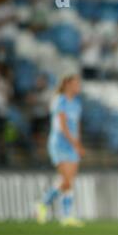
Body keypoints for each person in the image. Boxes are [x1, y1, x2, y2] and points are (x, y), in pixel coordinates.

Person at [36, 75, 85, 227]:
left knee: (68, 181)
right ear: (67, 84)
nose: (79, 86)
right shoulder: (60, 100)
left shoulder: (77, 104)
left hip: (72, 144)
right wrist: (75, 144)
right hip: (59, 144)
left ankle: (64, 215)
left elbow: (76, 126)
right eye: (76, 83)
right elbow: (62, 126)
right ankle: (44, 205)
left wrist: (78, 142)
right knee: (65, 180)